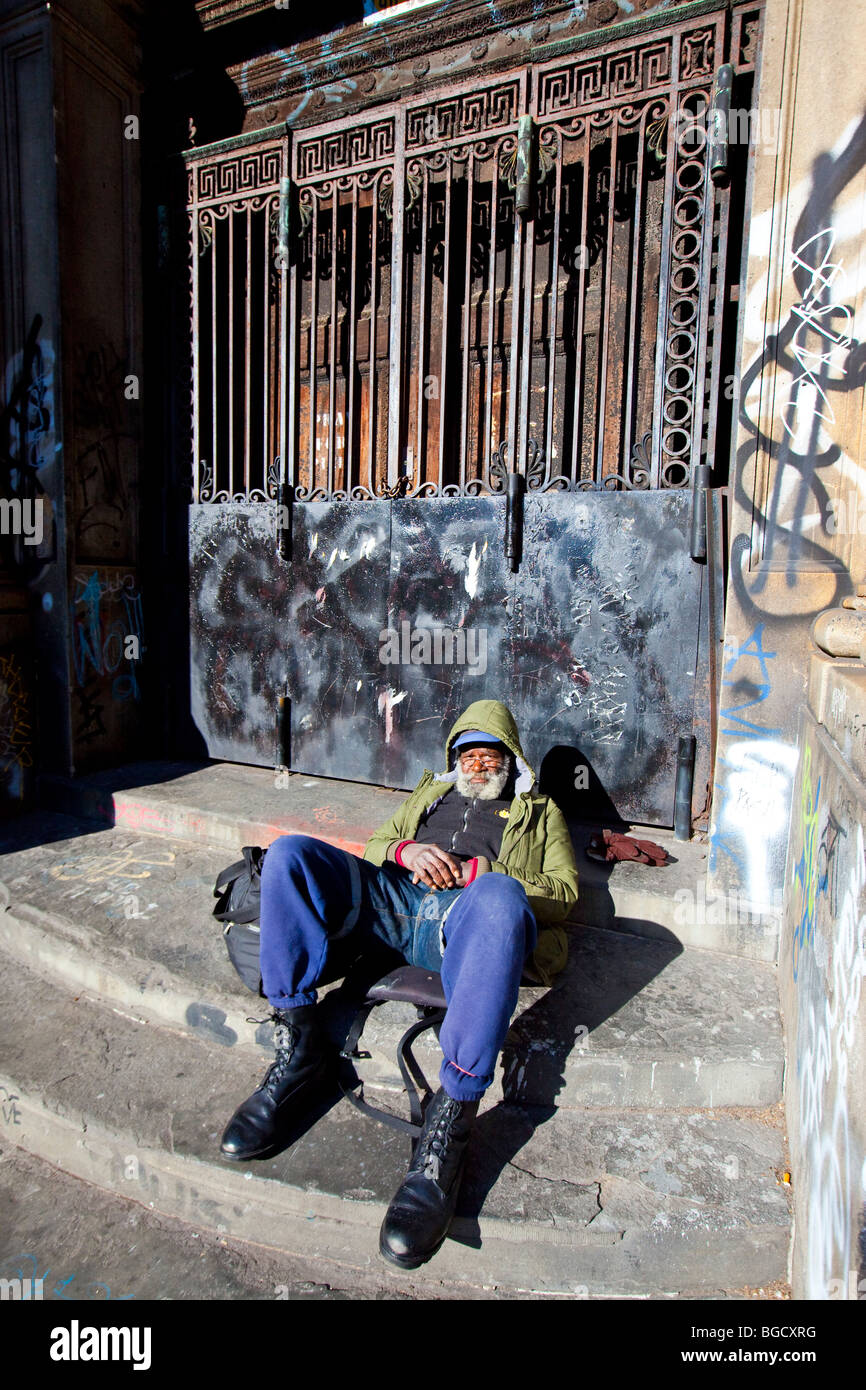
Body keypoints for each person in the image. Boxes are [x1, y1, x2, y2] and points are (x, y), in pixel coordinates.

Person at [220, 698, 579, 1268]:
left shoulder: (539, 812)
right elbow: (377, 848)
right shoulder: (429, 794)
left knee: (502, 898)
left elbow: (562, 894)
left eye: (491, 755)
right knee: (290, 855)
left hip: (462, 919)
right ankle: (300, 1045)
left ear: (510, 760)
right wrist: (409, 850)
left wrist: (483, 874)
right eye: (468, 753)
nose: (478, 764)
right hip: (395, 904)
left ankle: (452, 1118)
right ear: (454, 758)